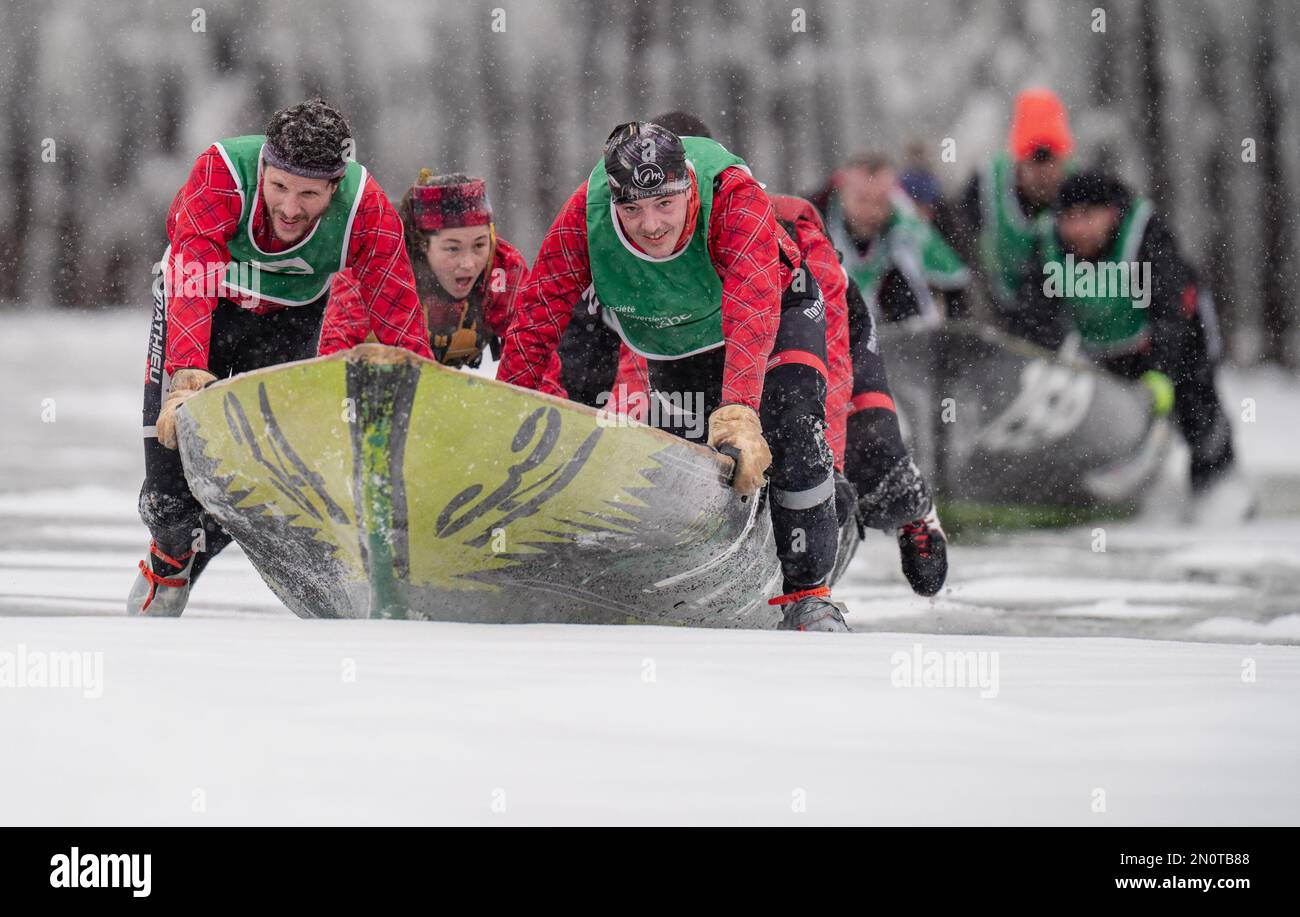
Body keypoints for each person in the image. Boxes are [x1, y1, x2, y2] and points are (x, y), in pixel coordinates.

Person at [499, 121, 851, 631]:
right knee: (684, 460)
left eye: (665, 203)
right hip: (676, 339)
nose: (651, 224)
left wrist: (739, 412)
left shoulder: (732, 193)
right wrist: (512, 413)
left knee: (791, 423)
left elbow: (753, 308)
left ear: (688, 185)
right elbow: (537, 315)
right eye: (633, 209)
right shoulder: (586, 213)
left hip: (776, 311)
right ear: (613, 201)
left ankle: (809, 596)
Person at [594, 111, 948, 596]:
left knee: (866, 456)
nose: (657, 218)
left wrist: (833, 463)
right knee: (698, 434)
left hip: (828, 329)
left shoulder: (775, 219)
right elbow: (637, 349)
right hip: (724, 351)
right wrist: (624, 444)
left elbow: (831, 342)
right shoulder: (644, 233)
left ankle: (914, 509)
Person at [129, 99, 433, 617]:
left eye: (309, 194)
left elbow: (399, 315)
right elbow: (193, 270)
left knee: (257, 479)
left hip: (288, 321)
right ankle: (169, 553)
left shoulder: (367, 208)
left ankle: (210, 538)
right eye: (279, 187)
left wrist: (430, 406)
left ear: (334, 188)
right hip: (204, 306)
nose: (291, 207)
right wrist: (185, 373)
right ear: (263, 169)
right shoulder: (222, 172)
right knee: (168, 497)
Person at [1025, 171, 1242, 509]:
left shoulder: (1146, 238)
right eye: (1068, 218)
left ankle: (1218, 492)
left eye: (1087, 217)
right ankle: (1087, 493)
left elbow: (1171, 316)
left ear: (1111, 214)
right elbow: (1035, 316)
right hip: (1106, 349)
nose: (1076, 229)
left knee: (1196, 411)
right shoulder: (1048, 246)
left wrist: (1160, 374)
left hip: (1179, 341)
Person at [320, 170, 529, 368]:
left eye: (480, 245)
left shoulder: (503, 265)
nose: (469, 263)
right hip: (364, 379)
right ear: (422, 245)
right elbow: (331, 352)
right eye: (453, 248)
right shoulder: (377, 261)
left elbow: (534, 346)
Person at [954, 87, 1073, 328]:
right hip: (997, 310)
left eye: (1053, 162)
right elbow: (957, 239)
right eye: (1037, 162)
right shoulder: (987, 184)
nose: (1046, 174)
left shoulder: (1079, 191)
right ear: (1018, 162)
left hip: (1062, 317)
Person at [808, 152, 970, 325]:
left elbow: (954, 283)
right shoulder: (812, 222)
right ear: (841, 191)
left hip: (889, 331)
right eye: (862, 200)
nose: (871, 211)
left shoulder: (909, 227)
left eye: (880, 202)